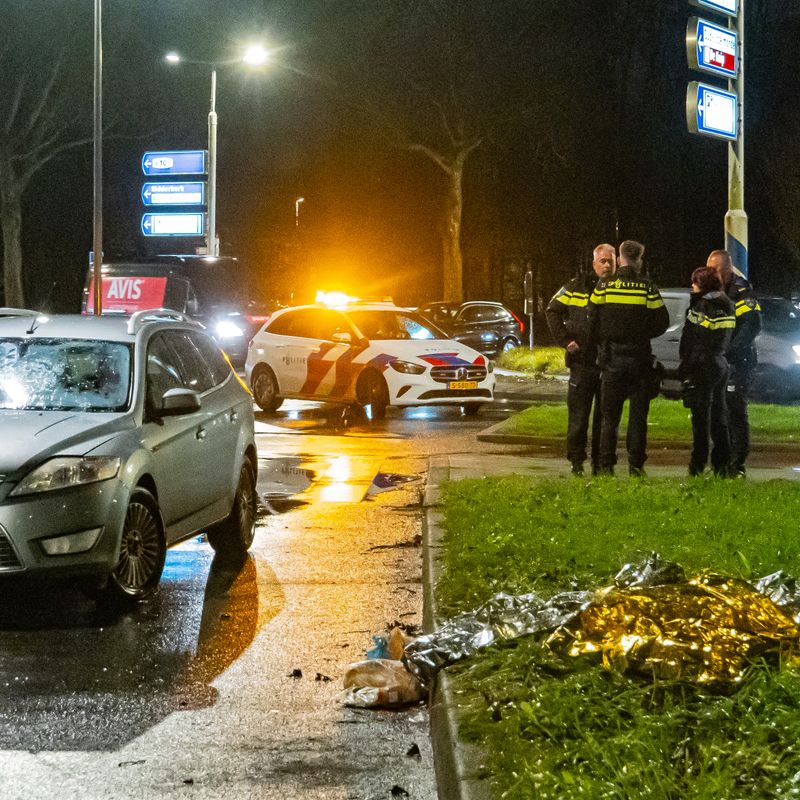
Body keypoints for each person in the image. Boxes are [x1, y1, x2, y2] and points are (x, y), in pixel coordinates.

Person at [587, 240, 669, 476]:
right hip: (639, 361)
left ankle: (606, 466)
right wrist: (642, 332)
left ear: (620, 259)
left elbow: (591, 318)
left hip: (612, 360)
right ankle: (635, 466)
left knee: (609, 419)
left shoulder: (605, 286)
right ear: (638, 260)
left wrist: (601, 343)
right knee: (638, 418)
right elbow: (662, 322)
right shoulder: (646, 288)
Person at [546, 243, 616, 475]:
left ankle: (600, 463)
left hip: (608, 364)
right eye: (603, 261)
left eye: (611, 260)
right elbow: (552, 310)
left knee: (604, 420)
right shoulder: (576, 287)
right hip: (582, 363)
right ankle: (577, 463)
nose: (607, 265)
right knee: (578, 417)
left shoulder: (619, 288)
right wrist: (565, 340)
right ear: (594, 263)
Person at [706, 249, 762, 477]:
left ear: (728, 269)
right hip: (718, 362)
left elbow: (751, 326)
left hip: (738, 362)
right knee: (718, 413)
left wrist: (727, 351)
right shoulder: (712, 291)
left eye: (715, 270)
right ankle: (721, 463)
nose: (711, 274)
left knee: (735, 412)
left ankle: (737, 464)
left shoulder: (741, 291)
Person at [678, 266, 736, 476]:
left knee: (700, 420)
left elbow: (695, 338)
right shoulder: (727, 304)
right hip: (719, 364)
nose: (692, 287)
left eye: (695, 283)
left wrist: (687, 368)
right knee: (719, 418)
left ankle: (697, 467)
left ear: (702, 285)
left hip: (703, 367)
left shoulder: (704, 306)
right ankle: (722, 466)